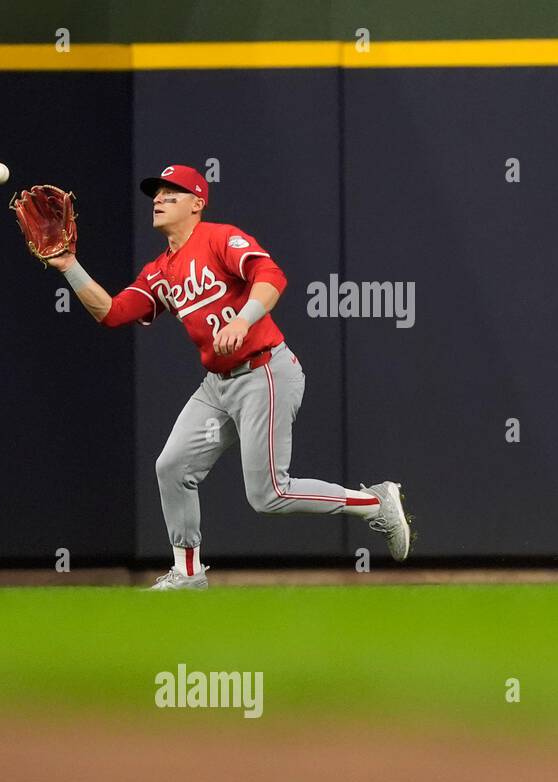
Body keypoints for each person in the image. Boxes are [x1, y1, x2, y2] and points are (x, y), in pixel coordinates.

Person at [45, 164, 413, 590]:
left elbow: (272, 276)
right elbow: (111, 313)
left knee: (270, 495)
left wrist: (243, 319)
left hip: (265, 371)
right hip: (217, 386)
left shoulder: (218, 238)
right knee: (172, 466)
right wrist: (69, 265)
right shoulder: (159, 270)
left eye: (172, 193)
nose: (160, 199)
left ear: (197, 203)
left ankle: (374, 501)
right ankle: (187, 573)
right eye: (157, 193)